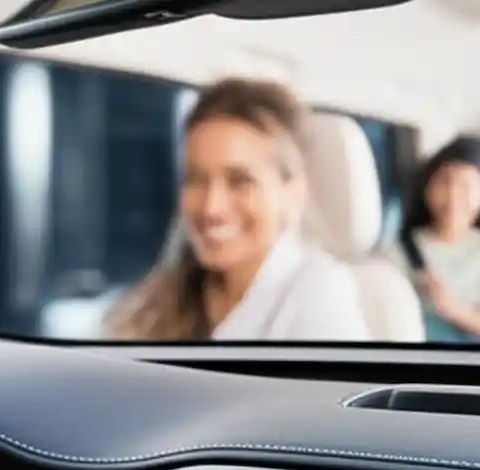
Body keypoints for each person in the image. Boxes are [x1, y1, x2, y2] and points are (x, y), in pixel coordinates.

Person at [104, 78, 370, 341]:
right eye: (196, 179)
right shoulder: (159, 298)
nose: (211, 208)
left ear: (292, 193)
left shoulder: (319, 293)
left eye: (240, 181)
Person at [391, 141, 480, 343]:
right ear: (427, 188)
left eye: (466, 186)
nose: (453, 196)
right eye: (445, 182)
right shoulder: (400, 248)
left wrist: (447, 305)